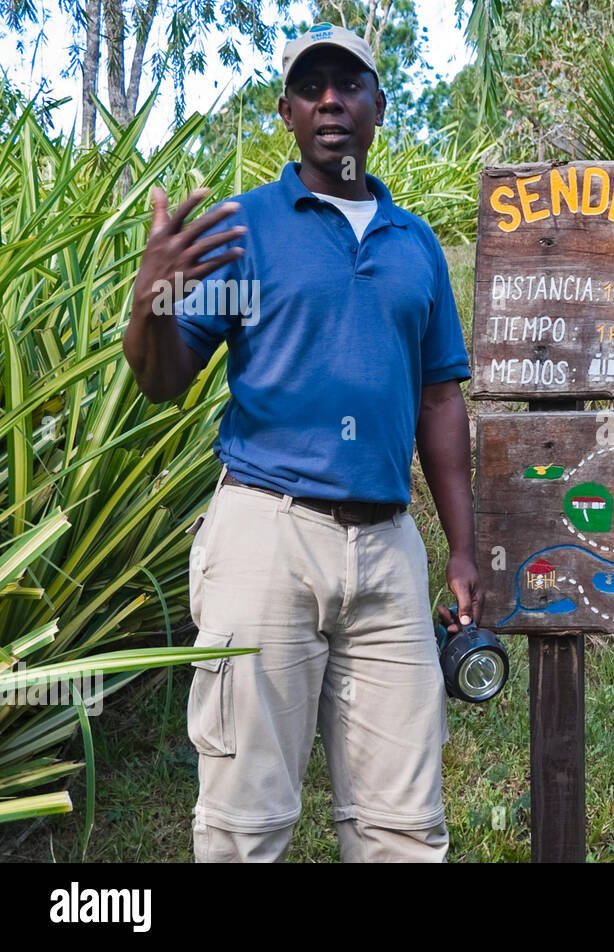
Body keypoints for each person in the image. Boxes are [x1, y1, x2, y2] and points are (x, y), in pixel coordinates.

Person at [123, 23, 481, 862]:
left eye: (349, 84)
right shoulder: (241, 229)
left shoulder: (417, 245)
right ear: (286, 111)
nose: (330, 99)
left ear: (378, 108)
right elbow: (163, 378)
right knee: (245, 825)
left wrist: (464, 550)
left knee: (405, 830)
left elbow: (439, 401)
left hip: (390, 551)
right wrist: (150, 301)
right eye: (311, 86)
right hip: (265, 537)